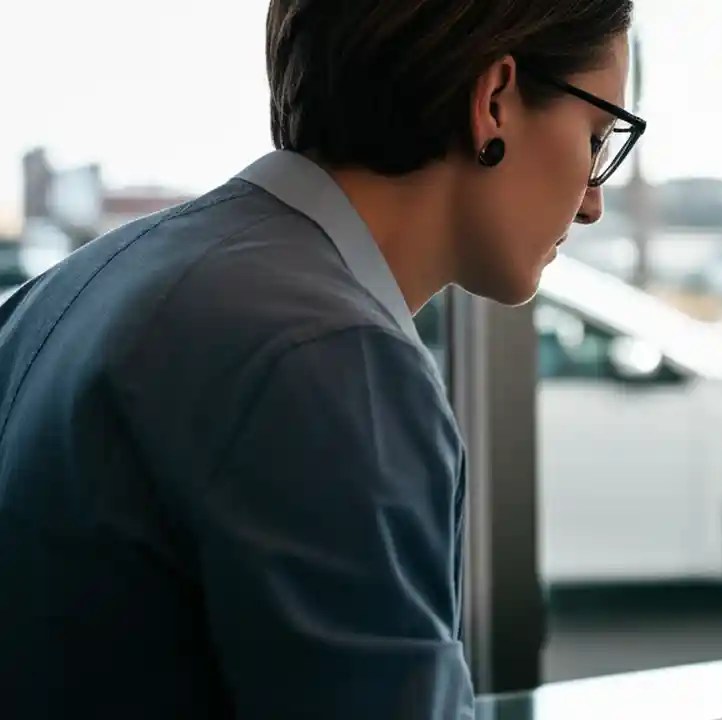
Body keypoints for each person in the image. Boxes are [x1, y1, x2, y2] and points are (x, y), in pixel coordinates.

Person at [0, 0, 642, 717]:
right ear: (494, 101)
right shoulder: (333, 358)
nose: (592, 203)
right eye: (597, 137)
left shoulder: (69, 289)